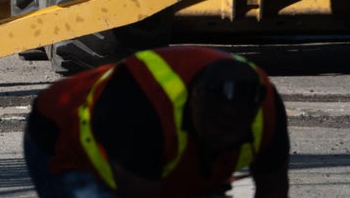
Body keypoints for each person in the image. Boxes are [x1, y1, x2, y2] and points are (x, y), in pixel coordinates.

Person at [23, 46, 289, 197]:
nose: (222, 137)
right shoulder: (140, 109)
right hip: (63, 138)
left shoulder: (266, 107)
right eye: (216, 125)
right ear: (195, 99)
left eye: (233, 128)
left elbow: (273, 188)